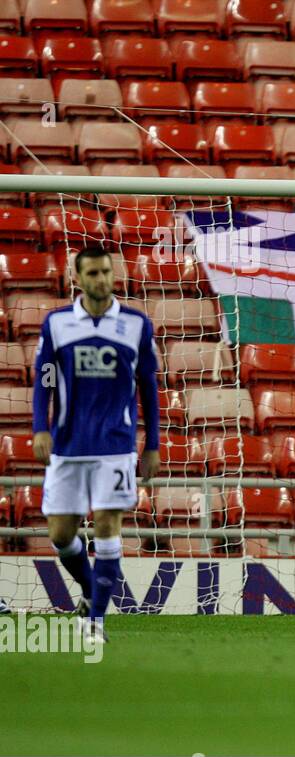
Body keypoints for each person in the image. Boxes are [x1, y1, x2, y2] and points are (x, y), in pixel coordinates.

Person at [33, 245, 160, 644]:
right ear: (78, 277)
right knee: (60, 534)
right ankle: (91, 590)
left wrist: (152, 443)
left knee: (107, 525)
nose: (101, 279)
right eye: (92, 273)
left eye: (106, 271)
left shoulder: (136, 324)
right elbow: (44, 378)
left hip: (115, 445)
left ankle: (96, 623)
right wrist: (40, 426)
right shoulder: (56, 324)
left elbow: (149, 387)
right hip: (69, 444)